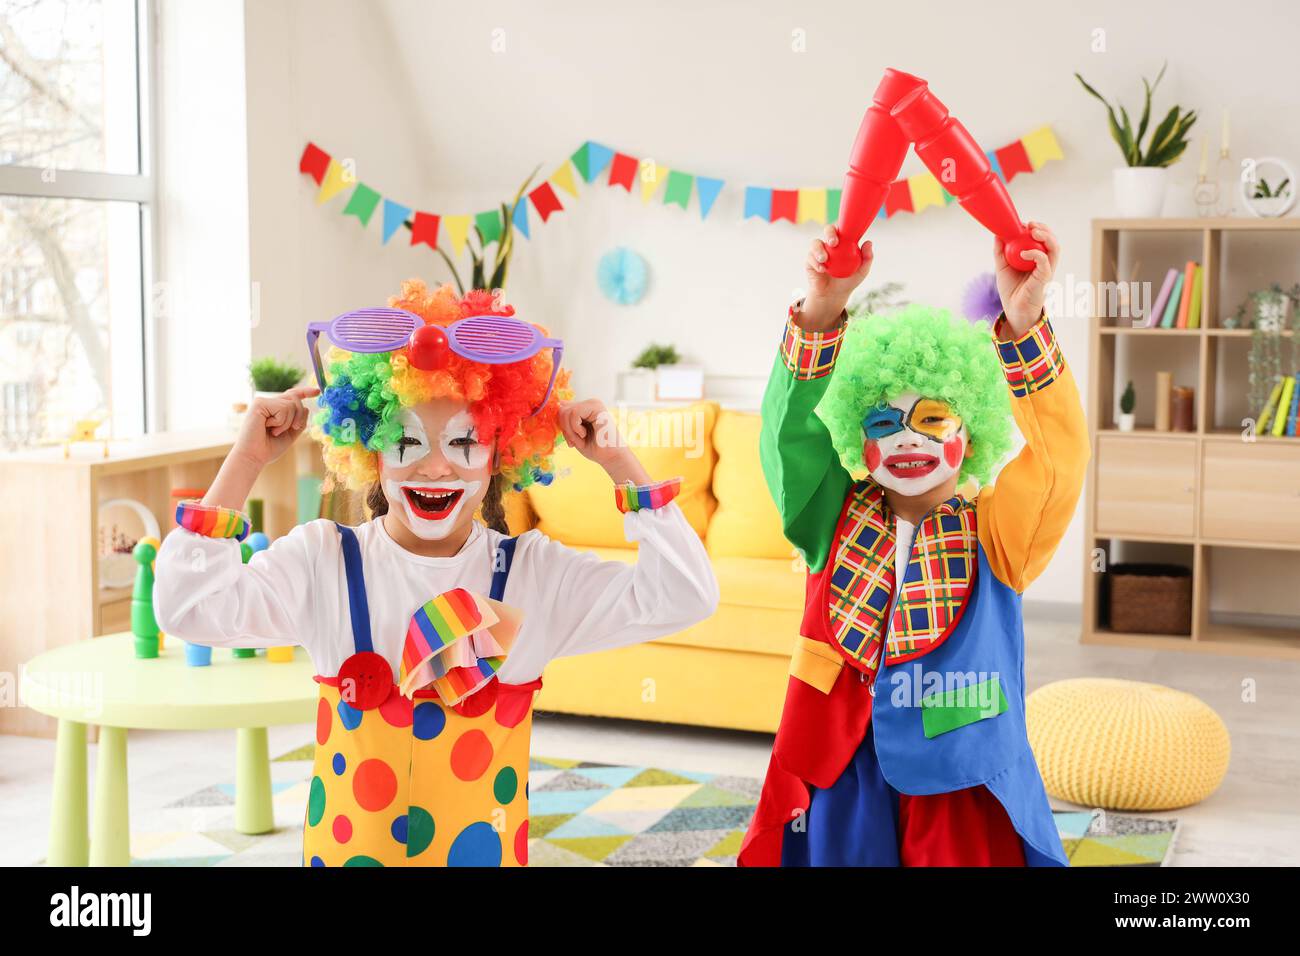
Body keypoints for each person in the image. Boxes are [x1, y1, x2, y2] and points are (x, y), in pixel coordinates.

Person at [155, 279, 719, 867]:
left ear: (501, 455)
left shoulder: (533, 574)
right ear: (371, 452)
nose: (435, 466)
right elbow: (189, 608)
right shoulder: (325, 560)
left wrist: (619, 463)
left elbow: (684, 596)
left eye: (464, 442)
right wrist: (246, 460)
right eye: (405, 440)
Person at [739, 224, 1089, 866]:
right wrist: (820, 309)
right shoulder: (829, 513)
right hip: (840, 758)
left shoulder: (998, 531)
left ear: (972, 426)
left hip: (956, 764)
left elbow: (1058, 459)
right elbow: (788, 441)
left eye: (931, 420)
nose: (906, 441)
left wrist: (1025, 325)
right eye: (882, 422)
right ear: (856, 435)